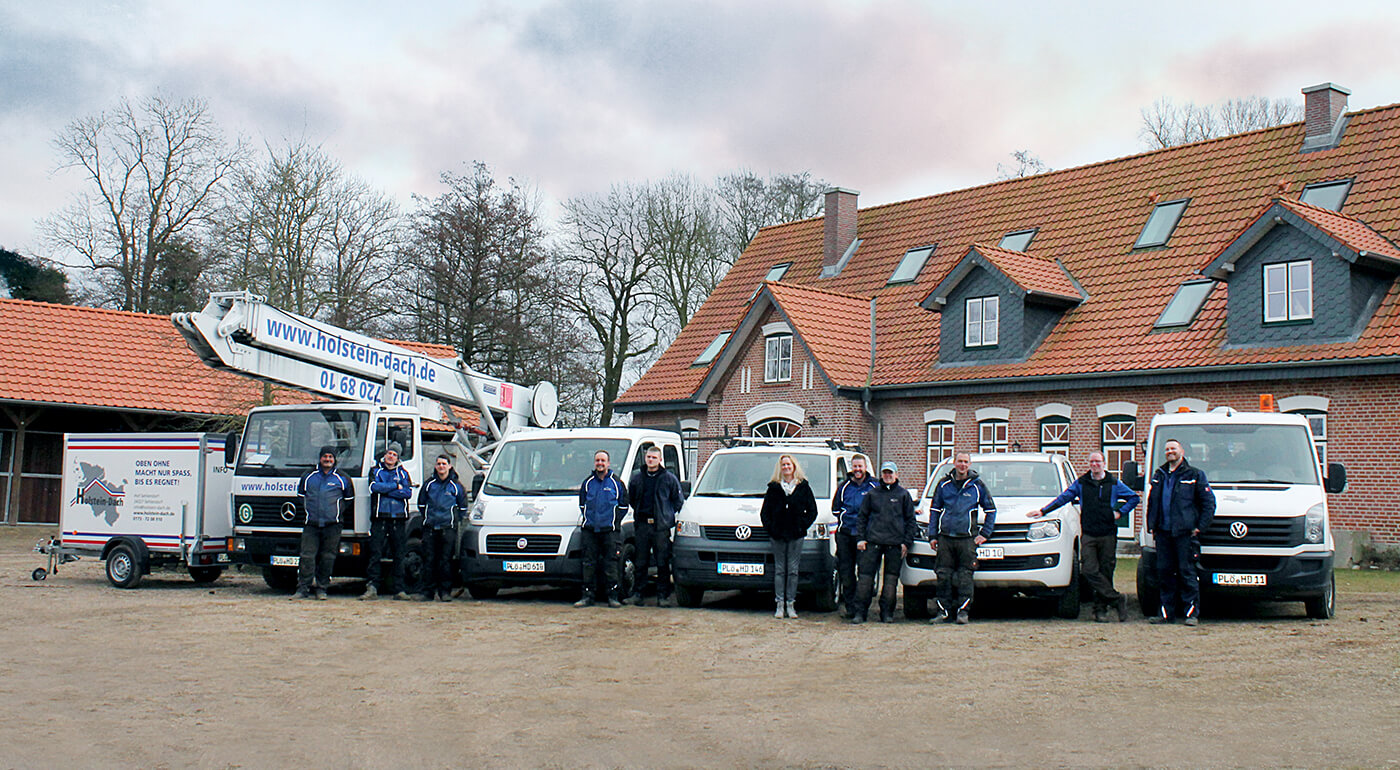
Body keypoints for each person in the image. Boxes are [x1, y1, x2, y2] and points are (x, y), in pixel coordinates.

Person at [1031, 451, 1140, 622]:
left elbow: (1133, 498)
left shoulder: (1113, 483)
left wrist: (1120, 513)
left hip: (1108, 534)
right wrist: (1043, 511)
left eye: (1098, 462)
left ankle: (1100, 609)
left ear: (1104, 463)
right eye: (1092, 462)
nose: (1094, 465)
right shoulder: (1082, 483)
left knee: (1106, 571)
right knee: (1089, 570)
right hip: (1088, 533)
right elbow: (1064, 498)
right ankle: (1117, 599)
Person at [1146, 438, 1217, 626]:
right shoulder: (1159, 475)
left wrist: (1200, 526)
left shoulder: (1194, 475)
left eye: (1174, 449)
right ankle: (1165, 614)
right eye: (1167, 449)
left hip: (1185, 534)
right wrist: (1151, 525)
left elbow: (1208, 503)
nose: (1170, 452)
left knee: (1187, 573)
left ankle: (1191, 614)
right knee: (1164, 574)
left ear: (1182, 452)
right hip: (1163, 533)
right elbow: (1152, 502)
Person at [927, 452, 997, 624]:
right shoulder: (943, 485)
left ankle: (963, 612)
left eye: (966, 462)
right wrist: (932, 535)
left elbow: (991, 510)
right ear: (954, 463)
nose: (963, 465)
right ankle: (943, 612)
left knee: (966, 576)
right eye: (960, 461)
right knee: (943, 576)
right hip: (945, 539)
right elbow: (935, 510)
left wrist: (984, 534)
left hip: (967, 539)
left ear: (970, 464)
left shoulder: (977, 486)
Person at [850, 461, 917, 624]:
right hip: (872, 542)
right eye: (885, 473)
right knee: (865, 578)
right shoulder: (872, 494)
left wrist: (907, 543)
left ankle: (887, 613)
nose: (888, 476)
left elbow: (911, 520)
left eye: (891, 473)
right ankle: (860, 612)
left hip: (895, 544)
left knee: (890, 580)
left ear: (896, 475)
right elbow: (862, 518)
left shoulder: (903, 495)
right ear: (881, 474)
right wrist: (861, 538)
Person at [759, 454, 818, 620]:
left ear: (794, 466)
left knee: (792, 570)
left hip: (796, 535)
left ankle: (791, 604)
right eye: (783, 465)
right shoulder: (773, 488)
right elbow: (765, 513)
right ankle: (779, 604)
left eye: (788, 464)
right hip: (778, 535)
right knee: (779, 570)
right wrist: (771, 528)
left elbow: (812, 511)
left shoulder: (803, 487)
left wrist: (801, 526)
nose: (786, 467)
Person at [626, 445, 686, 607]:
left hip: (661, 527)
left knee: (662, 561)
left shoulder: (669, 478)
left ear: (660, 459)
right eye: (648, 457)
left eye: (654, 457)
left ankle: (663, 596)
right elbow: (631, 499)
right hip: (642, 525)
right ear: (645, 458)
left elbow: (678, 501)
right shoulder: (637, 478)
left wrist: (666, 514)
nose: (650, 460)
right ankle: (638, 595)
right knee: (641, 561)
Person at [293, 446, 354, 600]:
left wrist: (335, 512)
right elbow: (301, 496)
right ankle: (302, 589)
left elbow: (349, 500)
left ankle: (322, 589)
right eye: (325, 457)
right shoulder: (308, 476)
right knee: (307, 556)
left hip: (333, 525)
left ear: (334, 460)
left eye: (330, 457)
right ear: (320, 458)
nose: (327, 460)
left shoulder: (343, 478)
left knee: (328, 558)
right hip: (311, 524)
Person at [576, 449, 628, 608]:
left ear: (608, 463)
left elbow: (624, 505)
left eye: (603, 461)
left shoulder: (616, 483)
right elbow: (582, 504)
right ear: (594, 463)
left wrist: (613, 521)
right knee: (588, 564)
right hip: (590, 530)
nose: (600, 463)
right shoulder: (588, 483)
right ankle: (587, 596)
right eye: (597, 460)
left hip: (610, 531)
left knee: (611, 564)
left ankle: (612, 597)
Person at [362, 441, 414, 601]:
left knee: (399, 554)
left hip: (398, 518)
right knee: (375, 554)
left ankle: (399, 589)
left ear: (398, 458)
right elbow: (374, 488)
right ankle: (372, 587)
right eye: (389, 453)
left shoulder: (404, 473)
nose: (391, 456)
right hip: (380, 517)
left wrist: (388, 489)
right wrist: (395, 487)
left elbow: (407, 493)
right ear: (385, 455)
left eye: (394, 454)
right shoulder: (375, 471)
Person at [831, 456, 877, 618]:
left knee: (865, 573)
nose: (858, 469)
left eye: (860, 466)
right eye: (855, 466)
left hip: (866, 537)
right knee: (846, 573)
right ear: (852, 467)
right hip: (845, 535)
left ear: (865, 467)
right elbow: (836, 510)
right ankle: (851, 608)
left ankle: (862, 608)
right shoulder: (844, 487)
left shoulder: (874, 486)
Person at [417, 455, 467, 602]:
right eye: (438, 464)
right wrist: (428, 518)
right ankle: (428, 592)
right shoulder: (429, 485)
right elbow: (421, 504)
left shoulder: (456, 486)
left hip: (448, 528)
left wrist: (453, 520)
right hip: (430, 528)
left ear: (449, 466)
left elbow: (463, 507)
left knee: (445, 561)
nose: (441, 466)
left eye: (444, 464)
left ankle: (445, 592)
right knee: (429, 560)